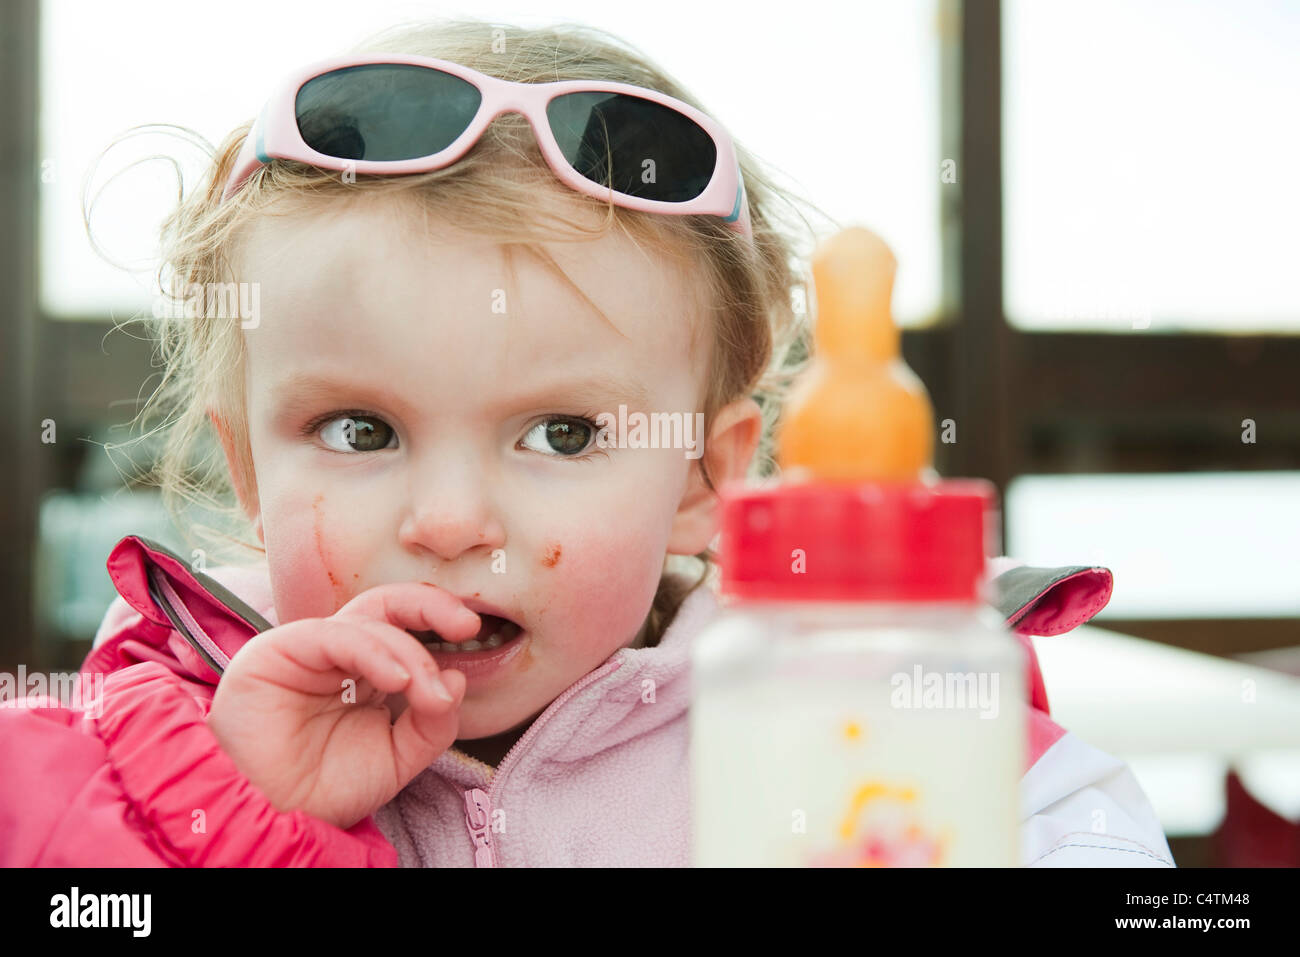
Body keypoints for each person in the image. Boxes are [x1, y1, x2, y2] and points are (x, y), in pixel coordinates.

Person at [0, 17, 1174, 867]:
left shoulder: (858, 723)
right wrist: (227, 810)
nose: (450, 521)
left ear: (705, 483)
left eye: (561, 433)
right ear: (250, 472)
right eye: (359, 429)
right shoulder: (150, 746)